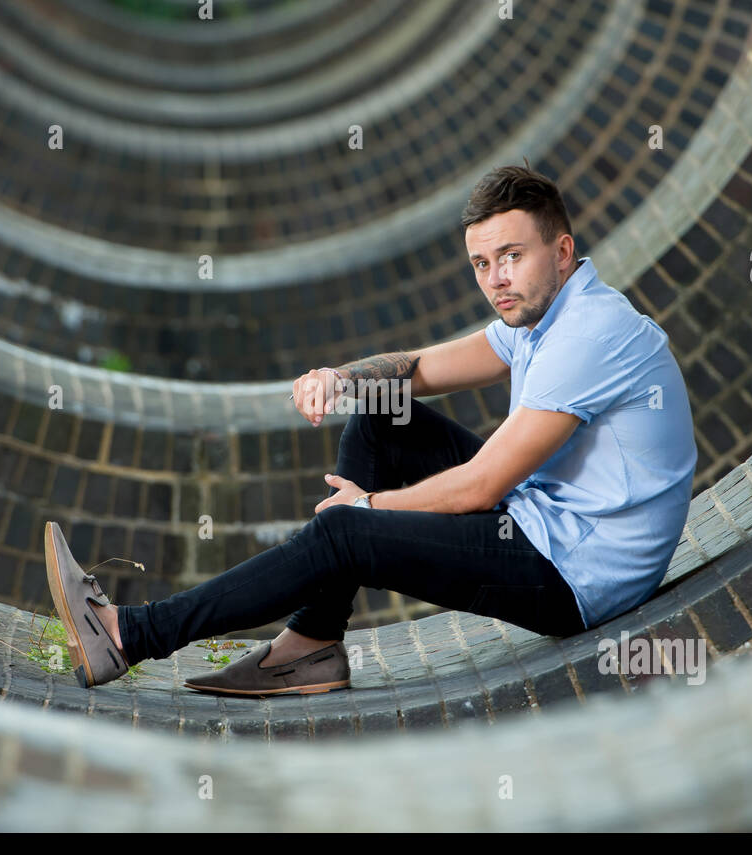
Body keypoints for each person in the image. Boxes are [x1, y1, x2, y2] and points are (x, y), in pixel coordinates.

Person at [44, 164, 697, 695]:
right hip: (547, 521)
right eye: (481, 263)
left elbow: (483, 483)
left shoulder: (587, 334)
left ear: (561, 250)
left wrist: (370, 508)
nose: (496, 278)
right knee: (382, 414)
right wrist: (341, 377)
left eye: (511, 256)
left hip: (576, 576)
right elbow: (423, 370)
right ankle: (312, 647)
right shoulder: (542, 315)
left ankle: (128, 634)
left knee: (345, 530)